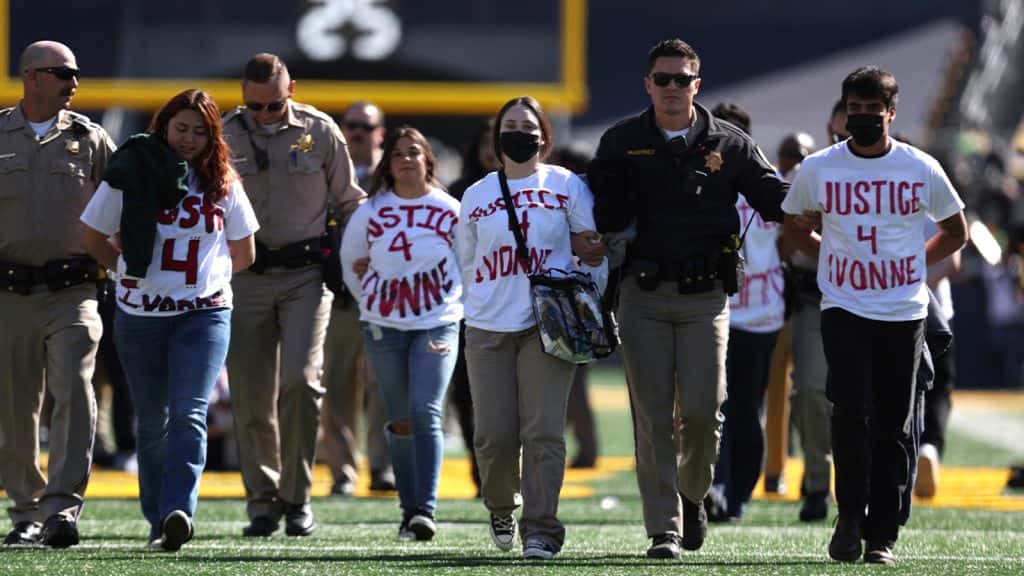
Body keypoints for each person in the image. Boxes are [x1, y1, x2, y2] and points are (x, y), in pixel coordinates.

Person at [587, 39, 787, 558]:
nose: (673, 87)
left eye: (683, 79)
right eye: (664, 78)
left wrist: (828, 190)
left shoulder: (731, 142)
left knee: (702, 413)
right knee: (652, 418)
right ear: (647, 83)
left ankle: (693, 494)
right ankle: (664, 529)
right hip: (642, 295)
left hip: (706, 296)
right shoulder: (619, 140)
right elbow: (593, 211)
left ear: (698, 85)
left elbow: (775, 198)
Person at [783, 66, 968, 565]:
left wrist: (912, 263)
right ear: (844, 112)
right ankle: (849, 518)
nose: (862, 119)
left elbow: (956, 230)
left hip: (903, 311)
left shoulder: (919, 166)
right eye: (854, 110)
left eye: (872, 110)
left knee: (892, 422)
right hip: (843, 305)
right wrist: (826, 252)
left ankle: (882, 532)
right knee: (848, 414)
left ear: (891, 112)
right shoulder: (819, 167)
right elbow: (793, 226)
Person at [80, 88, 258, 550]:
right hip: (141, 314)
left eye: (200, 131)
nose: (189, 139)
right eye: (181, 128)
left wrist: (206, 281)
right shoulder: (133, 168)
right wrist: (124, 271)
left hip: (203, 313)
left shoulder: (223, 180)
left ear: (213, 135)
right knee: (153, 418)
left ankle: (180, 508)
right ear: (164, 126)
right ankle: (158, 517)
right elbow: (92, 233)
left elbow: (245, 251)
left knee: (190, 413)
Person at [456, 96, 606, 561]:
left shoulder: (566, 186)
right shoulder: (477, 194)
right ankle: (501, 505)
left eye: (527, 124)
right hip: (486, 325)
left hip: (548, 325)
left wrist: (585, 294)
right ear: (497, 135)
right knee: (494, 436)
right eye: (510, 124)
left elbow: (590, 251)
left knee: (543, 433)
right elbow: (467, 263)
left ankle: (542, 528)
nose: (518, 132)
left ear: (544, 134)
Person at [221, 53, 364, 538]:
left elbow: (350, 201)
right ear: (243, 95)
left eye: (274, 105)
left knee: (302, 383)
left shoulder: (321, 131)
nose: (264, 115)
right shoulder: (223, 132)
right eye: (255, 106)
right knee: (250, 393)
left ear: (292, 90)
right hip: (244, 275)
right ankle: (262, 501)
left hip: (305, 274)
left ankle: (298, 497)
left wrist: (349, 261)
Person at [0, 40, 115, 548]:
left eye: (75, 72)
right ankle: (24, 509)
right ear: (32, 77)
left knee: (76, 387)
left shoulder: (91, 139)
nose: (74, 82)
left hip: (75, 289)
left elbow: (121, 207)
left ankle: (61, 510)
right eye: (62, 72)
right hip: (9, 288)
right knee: (14, 403)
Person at [341, 126, 462, 540]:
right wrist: (379, 301)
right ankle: (408, 509)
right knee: (400, 418)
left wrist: (446, 302)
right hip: (384, 324)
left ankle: (425, 508)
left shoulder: (449, 209)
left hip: (437, 320)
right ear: (387, 164)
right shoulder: (371, 210)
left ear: (428, 159)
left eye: (414, 152)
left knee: (427, 410)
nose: (407, 160)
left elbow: (470, 260)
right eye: (398, 154)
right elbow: (351, 263)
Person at [704, 103, 785, 523]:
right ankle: (713, 487)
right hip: (712, 307)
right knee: (710, 404)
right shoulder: (700, 182)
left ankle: (736, 494)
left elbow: (791, 235)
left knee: (745, 408)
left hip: (759, 314)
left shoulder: (767, 184)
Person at [322, 100, 395, 495]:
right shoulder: (330, 169)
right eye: (350, 126)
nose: (356, 133)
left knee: (384, 386)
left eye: (365, 127)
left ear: (380, 132)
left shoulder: (397, 169)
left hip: (387, 298)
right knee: (337, 386)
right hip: (341, 298)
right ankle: (342, 472)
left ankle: (382, 466)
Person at [774, 126, 836, 523]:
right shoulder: (809, 176)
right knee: (811, 389)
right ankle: (817, 480)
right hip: (814, 295)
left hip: (877, 294)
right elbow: (783, 242)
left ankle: (876, 484)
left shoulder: (888, 172)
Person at [445, 117, 500, 496]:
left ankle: (509, 470)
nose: (490, 147)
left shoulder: (534, 190)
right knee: (465, 393)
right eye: (485, 138)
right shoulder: (459, 193)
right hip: (468, 307)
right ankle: (480, 470)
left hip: (516, 306)